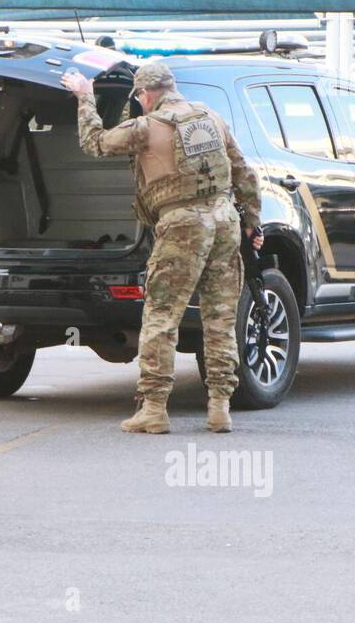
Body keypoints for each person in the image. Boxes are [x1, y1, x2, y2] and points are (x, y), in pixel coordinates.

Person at [66, 61, 263, 434]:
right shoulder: (211, 118)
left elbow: (95, 143)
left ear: (146, 94)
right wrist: (253, 223)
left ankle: (154, 408)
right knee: (220, 319)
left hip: (182, 225)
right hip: (224, 221)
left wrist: (84, 97)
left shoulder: (146, 127)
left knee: (162, 316)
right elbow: (245, 174)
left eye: (138, 97)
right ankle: (220, 407)